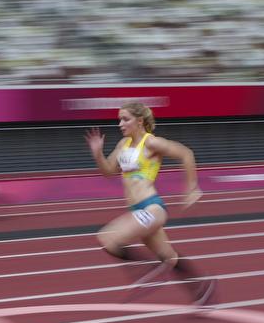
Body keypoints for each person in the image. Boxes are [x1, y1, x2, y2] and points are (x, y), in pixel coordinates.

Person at [85, 102, 216, 307]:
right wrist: (98, 154)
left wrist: (191, 187)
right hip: (137, 209)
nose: (120, 124)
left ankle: (148, 270)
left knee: (108, 238)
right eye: (119, 120)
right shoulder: (123, 145)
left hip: (151, 208)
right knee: (169, 257)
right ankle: (202, 288)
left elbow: (186, 153)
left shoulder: (151, 142)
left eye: (125, 119)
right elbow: (109, 171)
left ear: (139, 121)